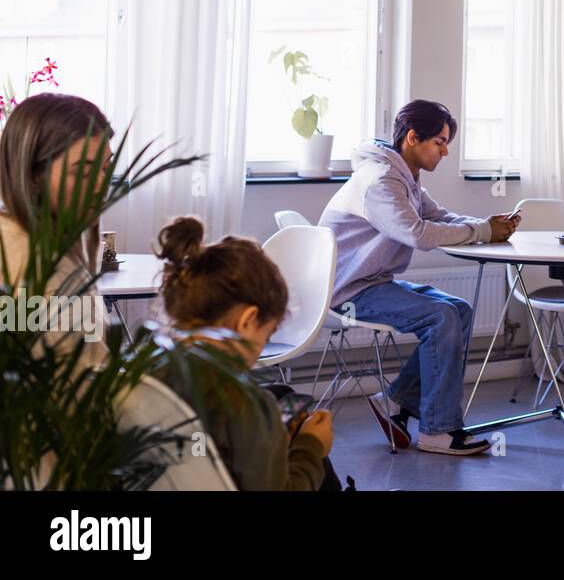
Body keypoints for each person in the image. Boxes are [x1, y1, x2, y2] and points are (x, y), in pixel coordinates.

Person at [319, 99, 520, 455]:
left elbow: (438, 216)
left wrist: (488, 226)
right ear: (413, 138)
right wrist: (482, 232)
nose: (445, 152)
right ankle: (437, 431)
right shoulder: (380, 180)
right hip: (346, 291)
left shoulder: (404, 176)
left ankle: (394, 402)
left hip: (371, 282)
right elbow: (419, 234)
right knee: (440, 317)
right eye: (439, 142)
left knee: (458, 310)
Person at [155, 215, 339, 490]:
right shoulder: (244, 403)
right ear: (247, 321)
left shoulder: (149, 368)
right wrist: (311, 446)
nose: (263, 347)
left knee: (279, 393)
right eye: (268, 334)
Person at [0, 93, 113, 361]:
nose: (101, 186)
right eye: (84, 172)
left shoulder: (11, 234)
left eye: (106, 167)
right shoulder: (49, 280)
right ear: (32, 176)